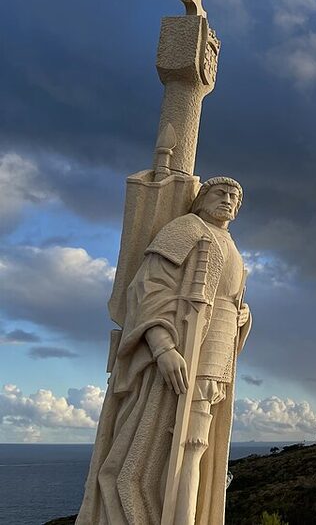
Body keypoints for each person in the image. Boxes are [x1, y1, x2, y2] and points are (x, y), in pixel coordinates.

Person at [78, 177, 251, 524]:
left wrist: (244, 316)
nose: (228, 199)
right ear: (201, 198)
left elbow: (229, 300)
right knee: (169, 449)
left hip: (214, 359)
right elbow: (148, 288)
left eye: (235, 196)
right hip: (179, 351)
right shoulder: (186, 228)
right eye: (220, 192)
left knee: (196, 448)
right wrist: (163, 346)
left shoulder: (231, 246)